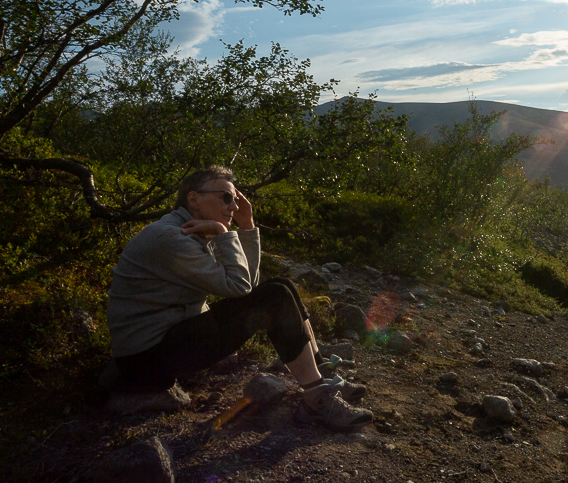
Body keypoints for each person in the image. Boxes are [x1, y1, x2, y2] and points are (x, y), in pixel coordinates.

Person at [104, 166, 371, 430]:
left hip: (162, 344)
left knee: (281, 285)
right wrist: (223, 234)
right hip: (144, 361)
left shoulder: (189, 230)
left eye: (236, 199)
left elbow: (249, 287)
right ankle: (317, 400)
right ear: (194, 199)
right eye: (226, 197)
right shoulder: (173, 238)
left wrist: (246, 226)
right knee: (275, 295)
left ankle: (323, 377)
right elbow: (240, 286)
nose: (233, 205)